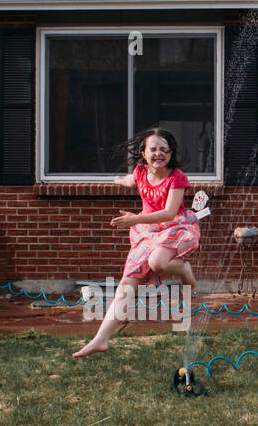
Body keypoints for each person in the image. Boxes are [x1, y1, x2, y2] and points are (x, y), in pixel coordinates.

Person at [73, 128, 199, 359]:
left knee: (158, 262)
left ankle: (184, 270)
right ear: (143, 152)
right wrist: (121, 181)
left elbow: (169, 212)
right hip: (147, 232)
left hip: (175, 227)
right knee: (126, 285)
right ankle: (100, 339)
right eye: (153, 149)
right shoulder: (141, 172)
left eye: (164, 149)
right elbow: (133, 181)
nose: (158, 153)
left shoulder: (177, 178)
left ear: (171, 154)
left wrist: (135, 218)